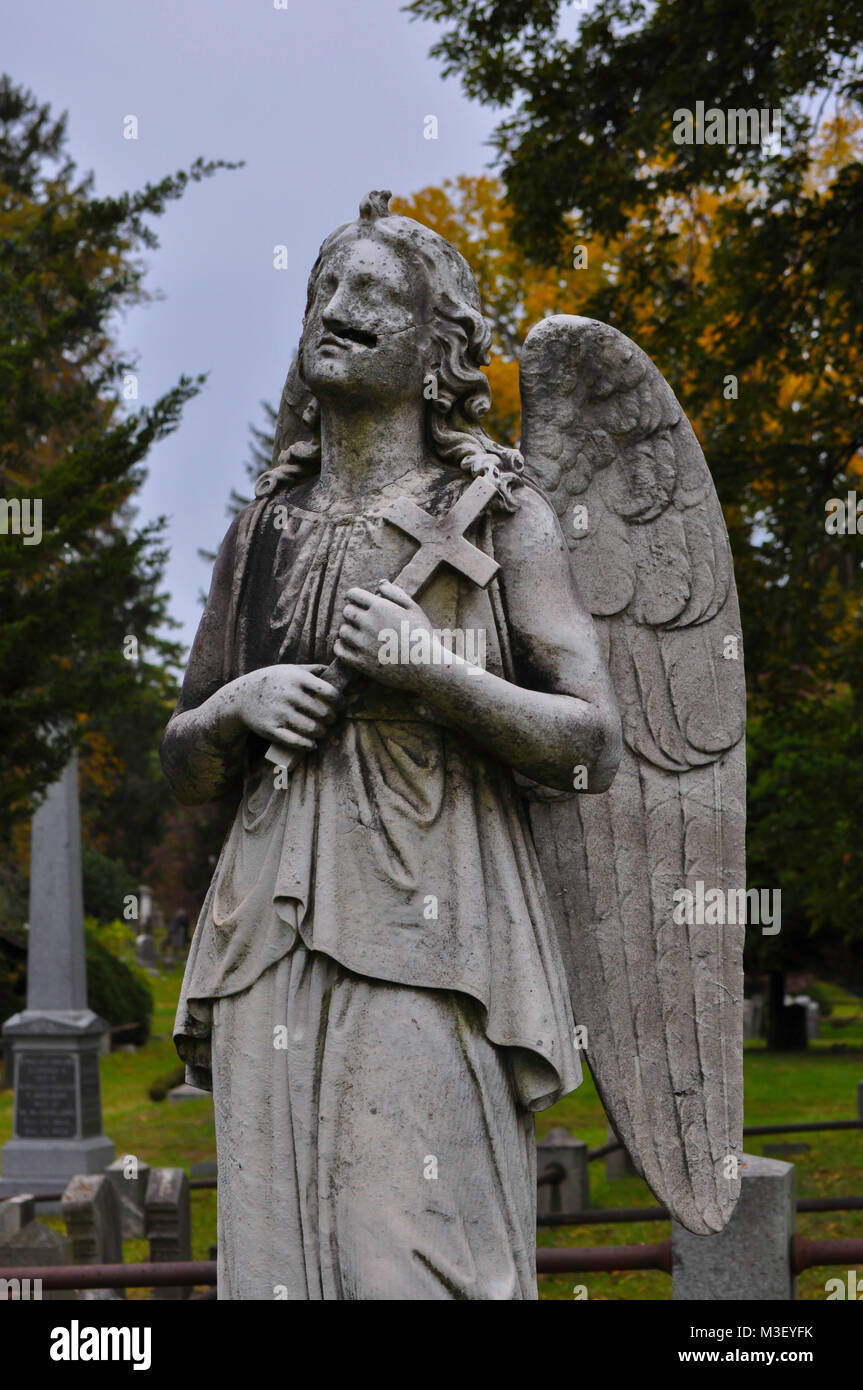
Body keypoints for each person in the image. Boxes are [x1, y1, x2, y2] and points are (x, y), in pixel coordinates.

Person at [159, 192, 620, 1300]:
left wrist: (435, 674)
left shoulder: (500, 517)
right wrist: (236, 707)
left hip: (432, 918)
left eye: (371, 290)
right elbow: (181, 756)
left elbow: (590, 746)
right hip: (266, 916)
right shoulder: (261, 528)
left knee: (405, 1248)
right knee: (273, 1254)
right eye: (323, 285)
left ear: (435, 347)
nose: (336, 304)